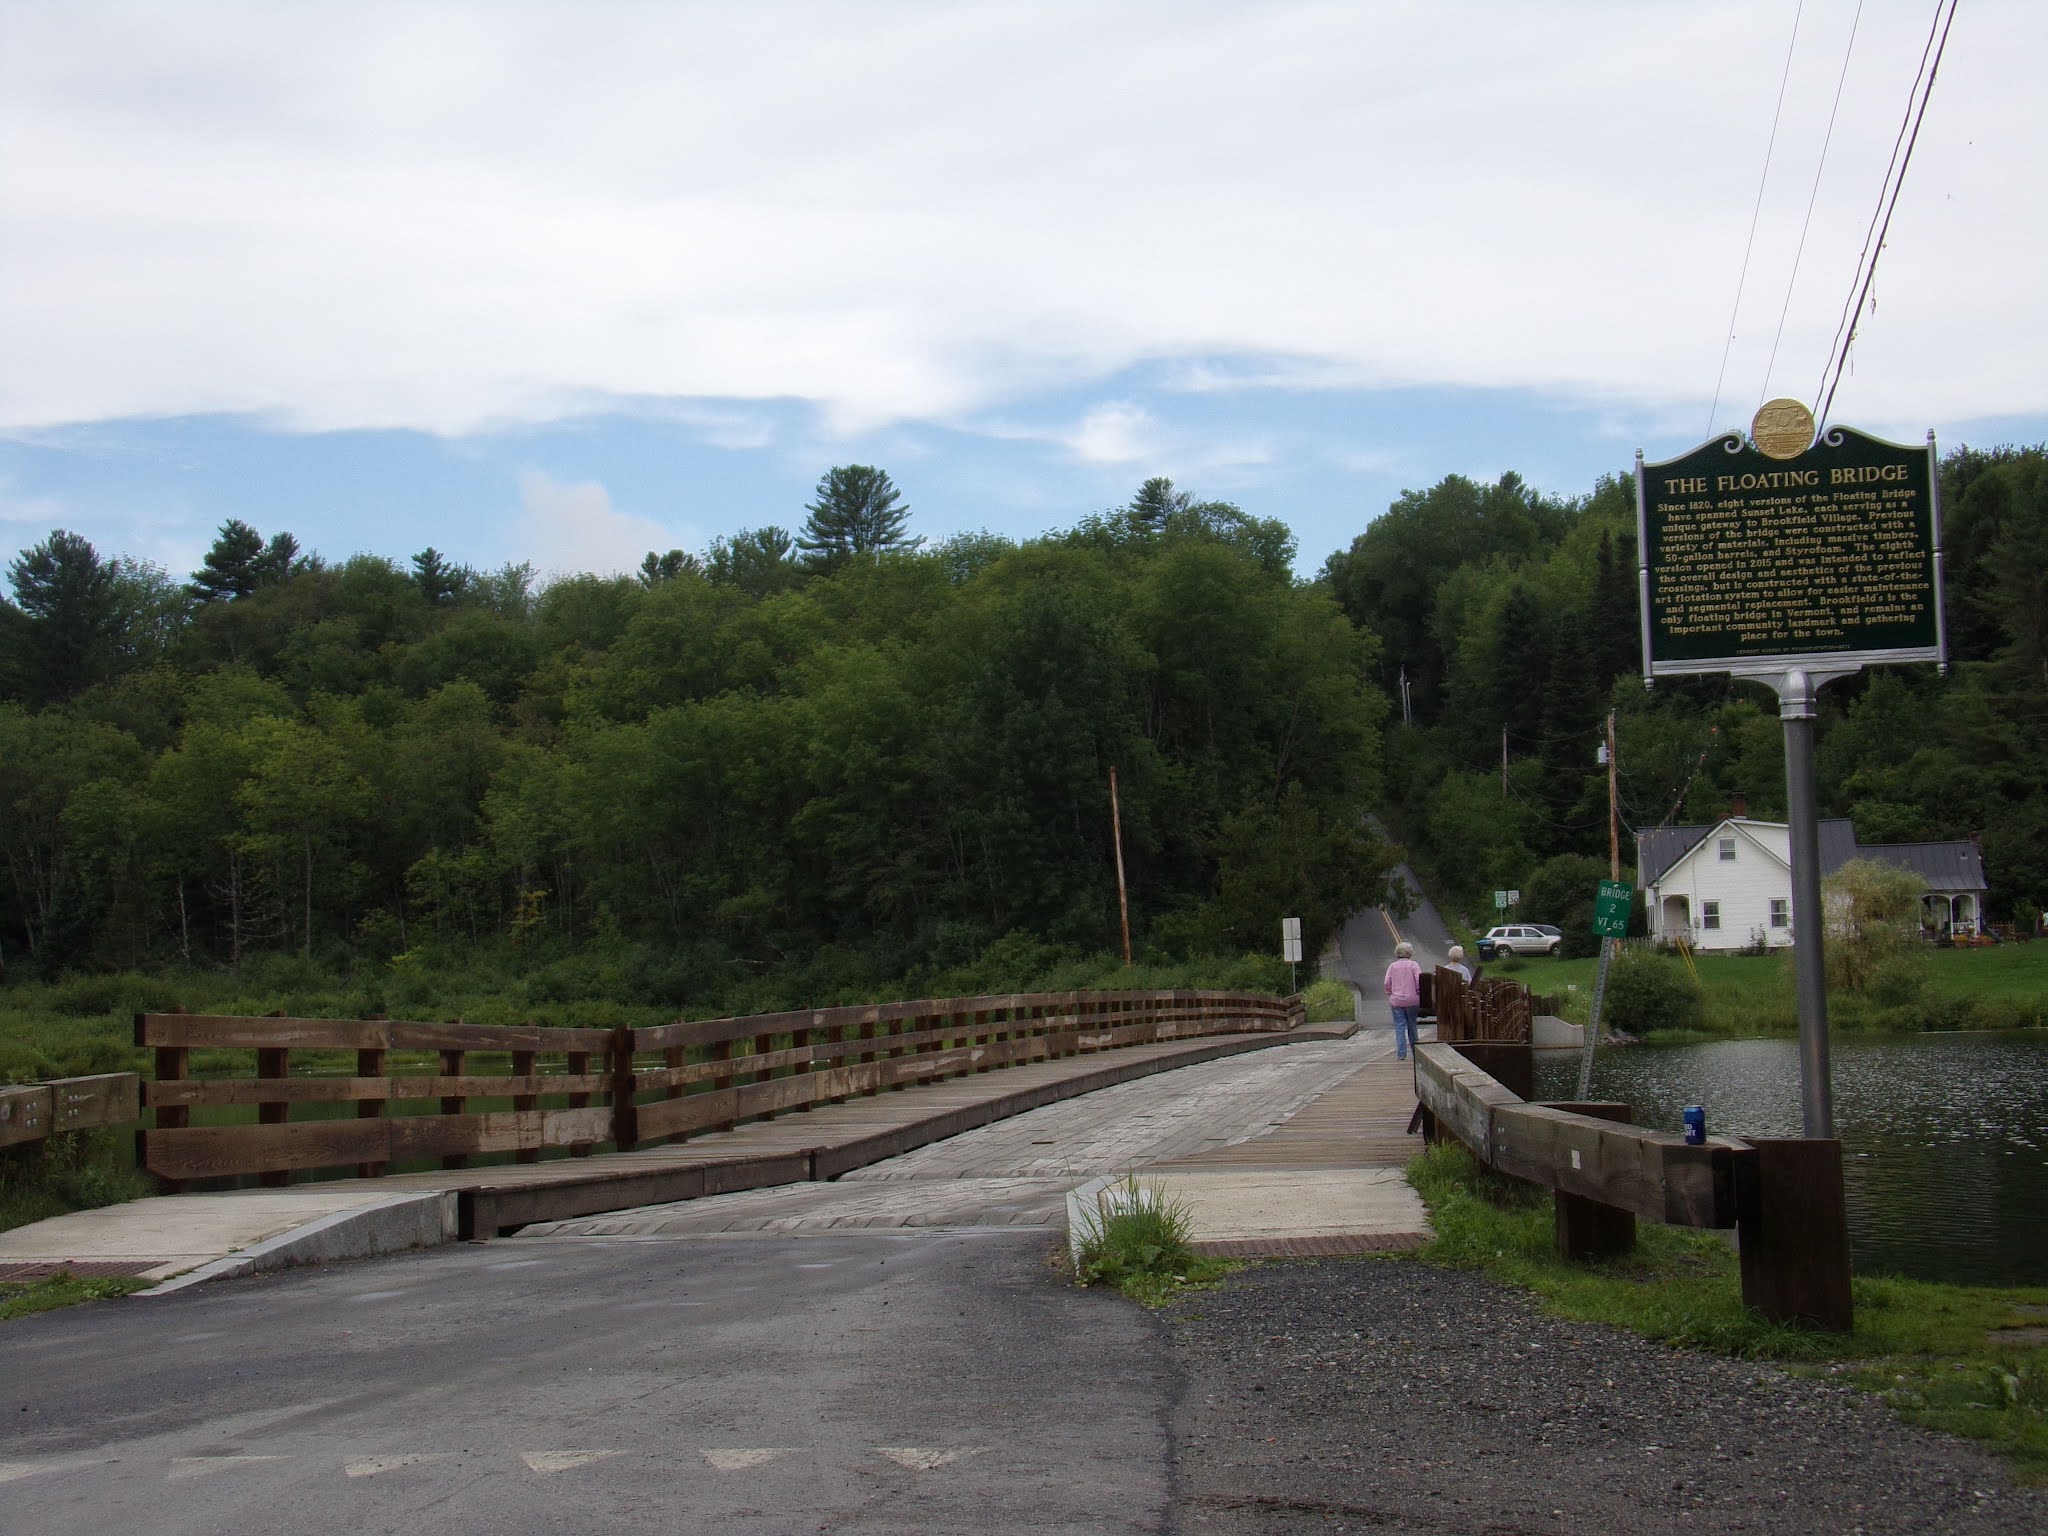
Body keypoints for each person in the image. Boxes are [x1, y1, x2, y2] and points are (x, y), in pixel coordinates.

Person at [1383, 941, 1423, 1061]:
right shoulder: (1414, 965)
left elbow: (1387, 982)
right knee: (1412, 1025)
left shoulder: (1392, 966)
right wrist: (1418, 992)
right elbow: (1419, 980)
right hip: (1412, 1000)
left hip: (1396, 1000)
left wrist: (1389, 992)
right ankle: (1416, 1052)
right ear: (1410, 953)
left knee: (1399, 1026)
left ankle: (1401, 1053)